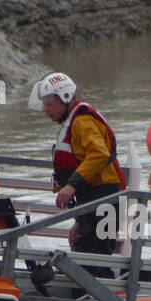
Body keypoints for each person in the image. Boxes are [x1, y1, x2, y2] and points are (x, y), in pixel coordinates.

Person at [28, 71, 126, 255]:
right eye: (44, 104)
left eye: (49, 103)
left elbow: (99, 154)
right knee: (88, 254)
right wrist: (81, 220)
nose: (45, 109)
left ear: (65, 98)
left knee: (93, 259)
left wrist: (71, 186)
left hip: (104, 198)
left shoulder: (82, 121)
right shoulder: (74, 121)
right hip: (94, 199)